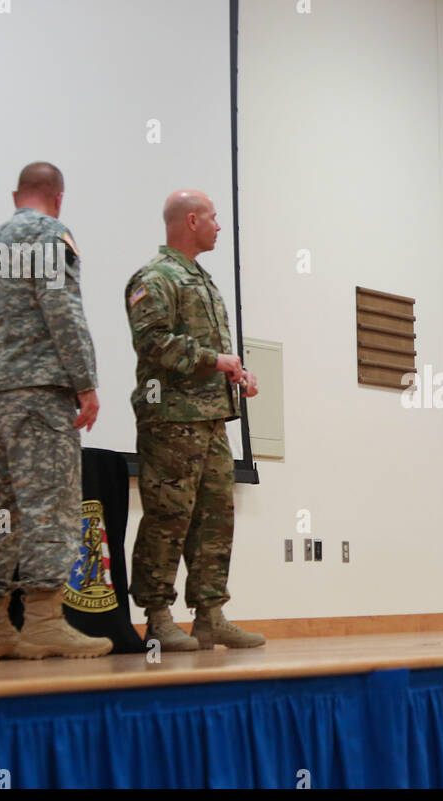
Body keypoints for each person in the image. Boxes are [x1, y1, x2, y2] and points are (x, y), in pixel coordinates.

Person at [0, 162, 113, 660]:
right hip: (39, 392)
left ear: (16, 195)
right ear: (58, 197)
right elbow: (63, 312)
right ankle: (45, 621)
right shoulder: (50, 235)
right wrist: (86, 384)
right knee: (50, 502)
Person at [125, 190, 264, 651]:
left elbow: (209, 354)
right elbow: (153, 343)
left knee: (214, 519)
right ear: (190, 220)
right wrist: (215, 360)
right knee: (168, 516)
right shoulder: (155, 277)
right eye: (212, 217)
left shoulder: (201, 280)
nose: (219, 225)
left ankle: (210, 615)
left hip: (211, 419)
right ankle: (158, 617)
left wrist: (237, 374)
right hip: (171, 419)